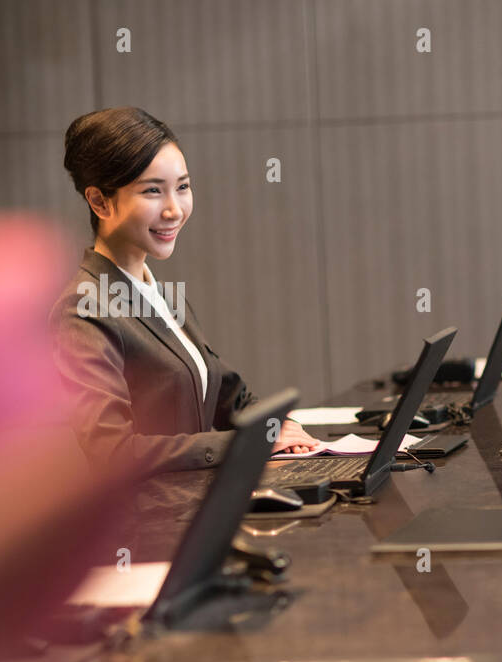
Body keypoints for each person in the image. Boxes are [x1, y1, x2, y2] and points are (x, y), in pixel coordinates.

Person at [51, 106, 318, 474]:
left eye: (183, 187)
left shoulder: (158, 291)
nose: (174, 209)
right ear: (100, 201)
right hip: (153, 524)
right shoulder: (83, 309)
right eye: (152, 191)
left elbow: (228, 394)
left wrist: (280, 429)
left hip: (199, 504)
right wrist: (246, 442)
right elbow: (113, 452)